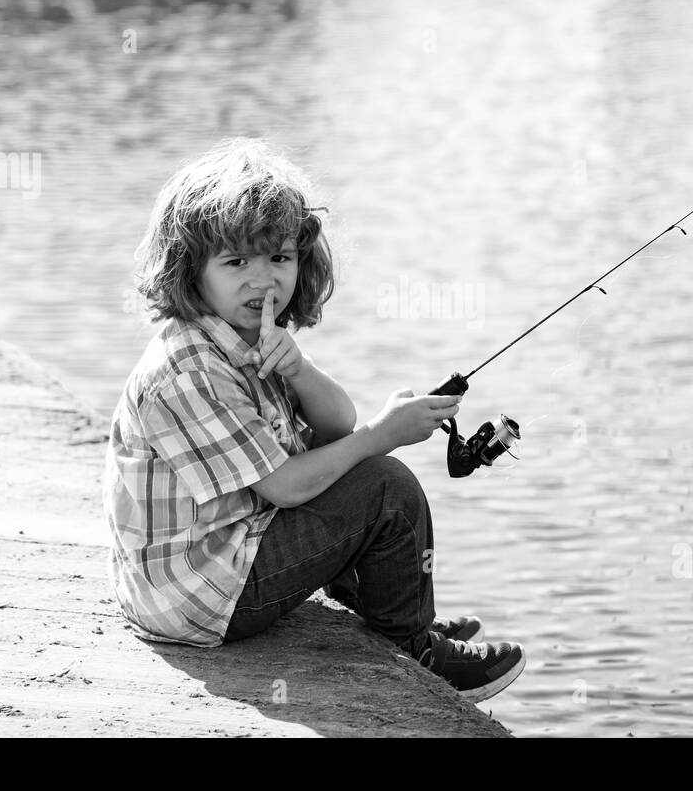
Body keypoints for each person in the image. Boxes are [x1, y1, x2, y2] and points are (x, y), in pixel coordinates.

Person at [102, 137, 526, 702]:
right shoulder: (189, 367)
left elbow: (336, 425)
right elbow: (286, 483)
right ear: (191, 271)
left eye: (279, 258)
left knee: (354, 466)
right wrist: (381, 438)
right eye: (236, 263)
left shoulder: (250, 338)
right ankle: (415, 646)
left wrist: (300, 371)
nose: (263, 280)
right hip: (192, 596)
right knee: (384, 486)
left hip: (206, 572)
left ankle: (399, 616)